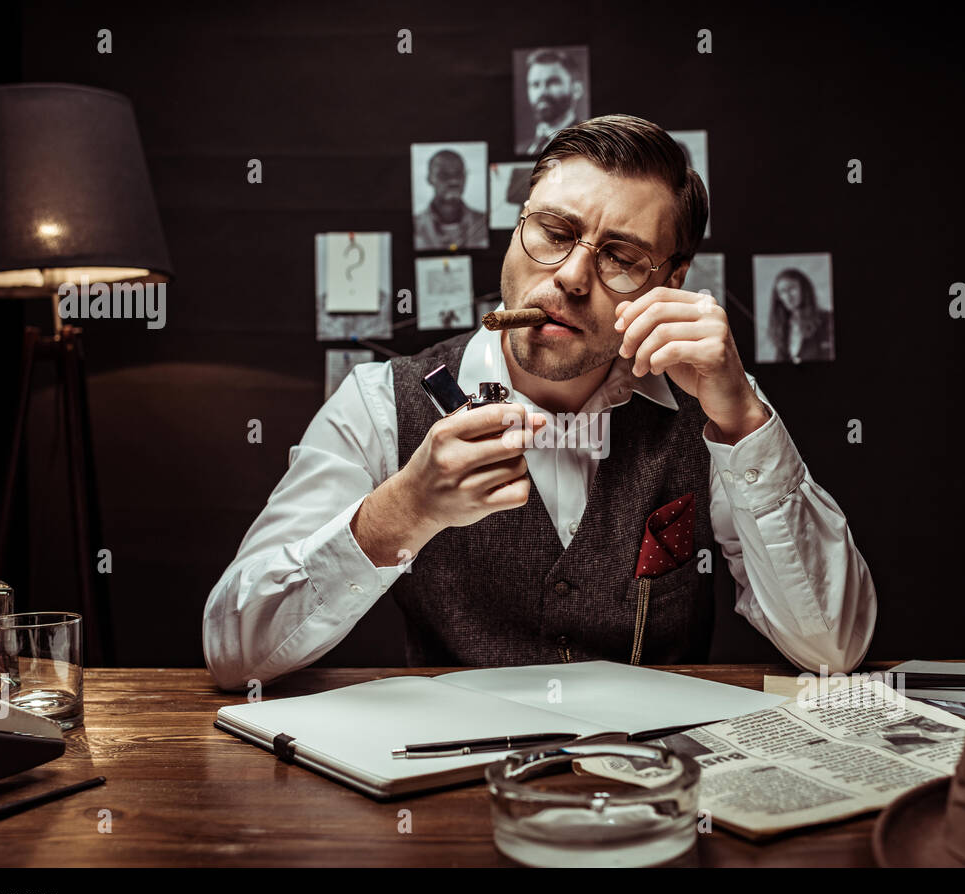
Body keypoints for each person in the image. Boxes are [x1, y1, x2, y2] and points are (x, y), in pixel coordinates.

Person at [203, 114, 877, 689]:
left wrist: (745, 422)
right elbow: (235, 651)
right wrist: (401, 510)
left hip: (654, 796)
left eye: (620, 256)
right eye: (554, 232)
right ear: (517, 225)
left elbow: (832, 649)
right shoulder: (380, 404)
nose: (572, 277)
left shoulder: (714, 410)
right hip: (448, 802)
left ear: (671, 281)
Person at [412, 149, 488, 250]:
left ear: (465, 176)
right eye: (444, 175)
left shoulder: (485, 223)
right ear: (429, 178)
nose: (453, 181)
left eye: (458, 174)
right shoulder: (413, 227)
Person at [520, 49, 585, 155]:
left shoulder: (588, 145)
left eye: (553, 83)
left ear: (577, 89)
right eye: (535, 85)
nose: (542, 92)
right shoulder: (523, 148)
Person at [769, 268, 834, 363]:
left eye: (792, 288)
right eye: (782, 291)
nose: (788, 296)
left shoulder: (827, 319)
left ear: (804, 289)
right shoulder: (784, 327)